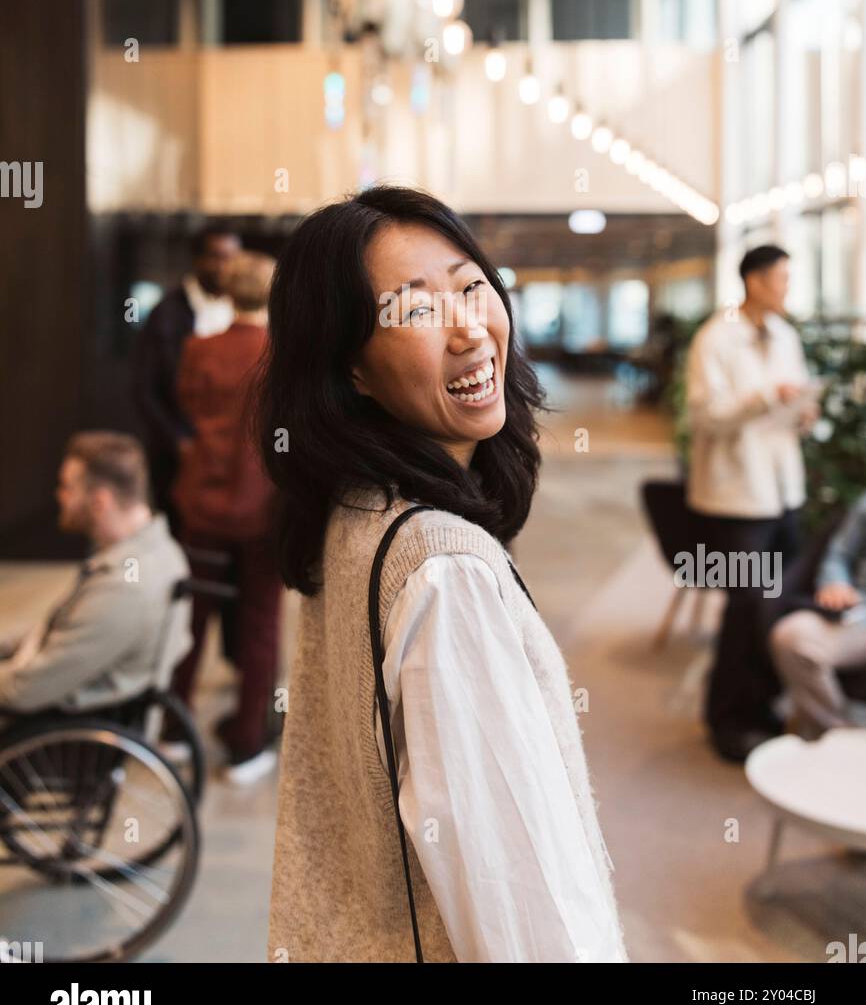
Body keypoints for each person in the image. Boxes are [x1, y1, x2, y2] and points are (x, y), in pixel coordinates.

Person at [260, 185, 628, 964]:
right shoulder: (443, 571)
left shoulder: (353, 512)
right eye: (416, 310)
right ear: (350, 369)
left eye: (471, 286)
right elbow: (524, 906)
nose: (469, 328)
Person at [685, 244, 818, 762]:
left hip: (785, 491)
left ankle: (764, 708)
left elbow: (794, 399)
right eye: (782, 278)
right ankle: (728, 721)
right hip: (736, 498)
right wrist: (767, 397)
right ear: (755, 281)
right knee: (746, 607)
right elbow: (706, 417)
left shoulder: (787, 336)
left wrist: (803, 412)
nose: (787, 287)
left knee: (779, 605)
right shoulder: (714, 339)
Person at [170, 250, 282, 785]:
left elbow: (189, 408)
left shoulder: (200, 349)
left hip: (205, 503)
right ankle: (246, 744)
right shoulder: (281, 356)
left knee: (192, 617)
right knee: (260, 624)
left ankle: (172, 731)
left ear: (226, 293)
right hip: (262, 511)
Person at [0, 432, 190, 724]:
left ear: (99, 501)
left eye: (66, 487)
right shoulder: (161, 549)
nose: (58, 496)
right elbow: (66, 635)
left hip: (60, 735)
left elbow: (23, 690)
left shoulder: (123, 588)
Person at [132, 225, 241, 521]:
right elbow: (145, 390)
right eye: (216, 257)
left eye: (231, 257)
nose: (224, 267)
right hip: (178, 453)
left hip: (229, 456)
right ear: (197, 260)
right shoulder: (167, 314)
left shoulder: (242, 309)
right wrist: (179, 440)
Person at [769, 493, 866, 738]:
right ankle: (838, 736)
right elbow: (839, 555)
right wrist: (835, 583)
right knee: (792, 637)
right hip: (857, 615)